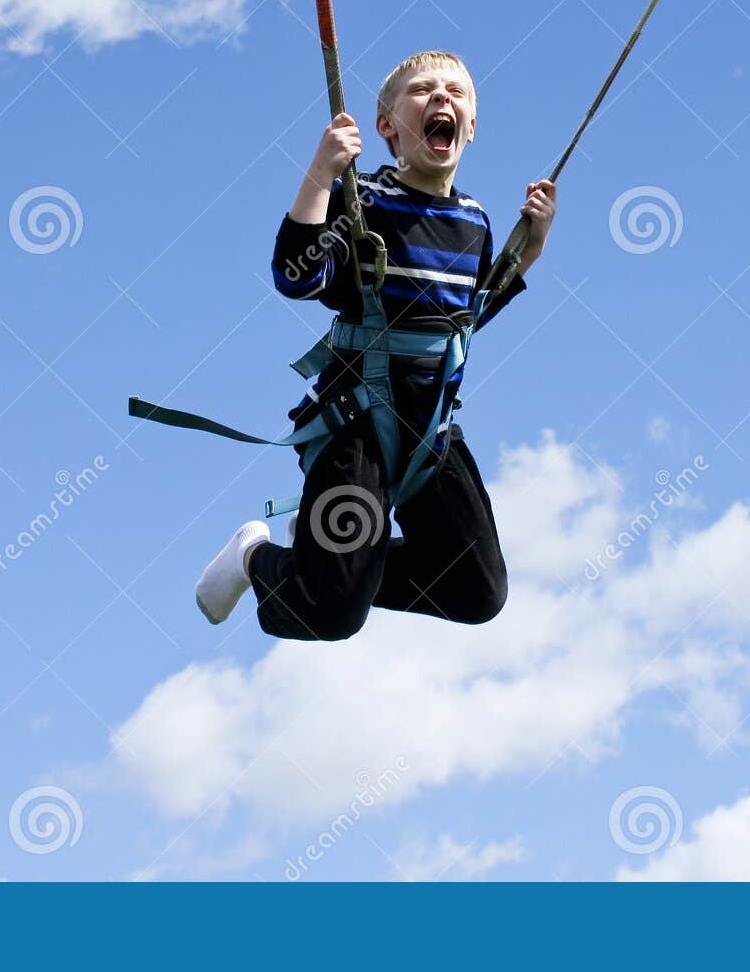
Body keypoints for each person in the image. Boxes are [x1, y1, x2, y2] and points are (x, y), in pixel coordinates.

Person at [194, 50, 557, 640]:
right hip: (359, 426)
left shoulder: (476, 220)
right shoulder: (363, 201)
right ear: (387, 125)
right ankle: (255, 558)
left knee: (478, 591)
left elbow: (458, 325)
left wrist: (528, 252)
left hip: (432, 433)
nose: (442, 98)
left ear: (472, 127)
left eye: (456, 93)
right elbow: (296, 275)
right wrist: (321, 170)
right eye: (423, 91)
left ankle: (329, 565)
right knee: (331, 614)